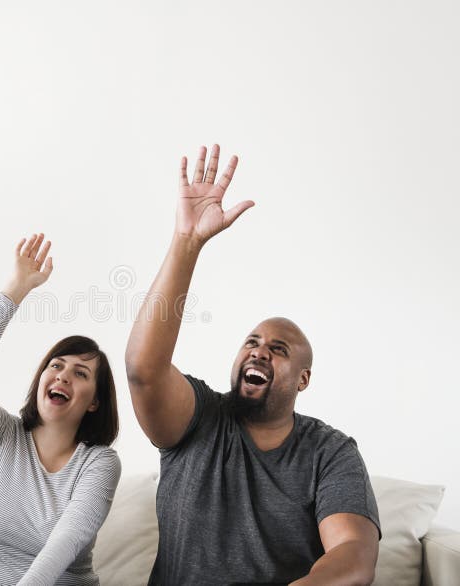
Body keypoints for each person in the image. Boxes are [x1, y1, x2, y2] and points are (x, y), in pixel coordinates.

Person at [125, 145, 380, 585]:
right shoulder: (198, 417)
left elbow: (354, 556)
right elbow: (143, 370)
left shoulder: (330, 452)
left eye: (279, 349)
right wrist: (187, 243)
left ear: (303, 379)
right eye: (252, 342)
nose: (260, 351)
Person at [0, 233, 121, 586]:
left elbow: (66, 541)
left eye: (80, 373)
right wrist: (16, 289)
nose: (63, 377)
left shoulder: (99, 463)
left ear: (95, 402)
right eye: (56, 366)